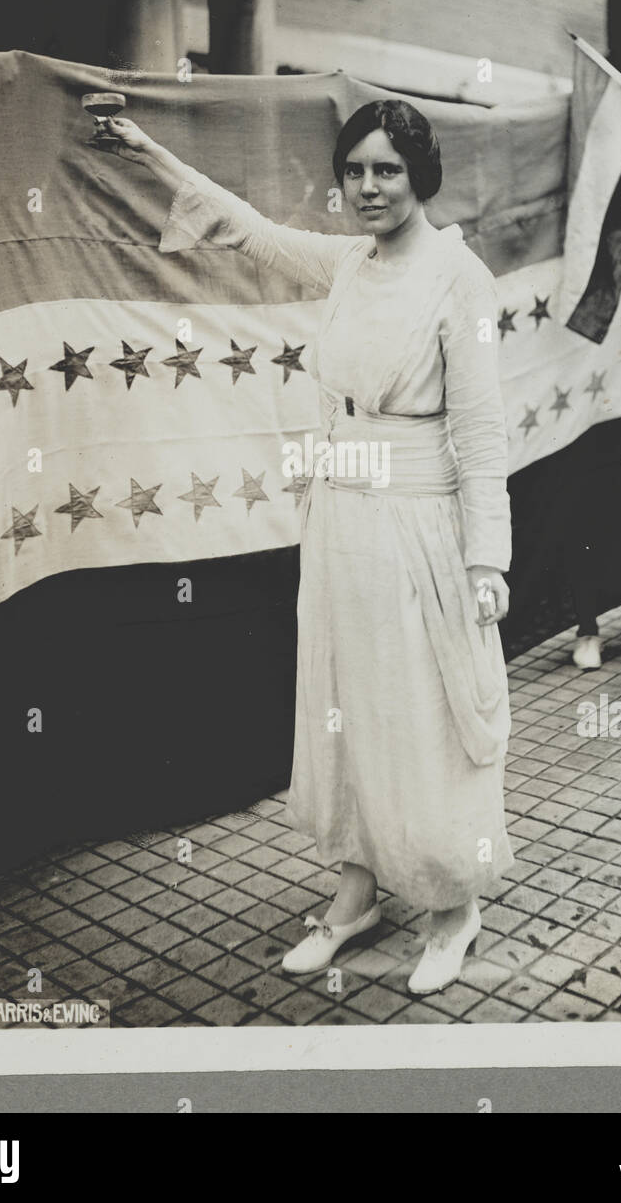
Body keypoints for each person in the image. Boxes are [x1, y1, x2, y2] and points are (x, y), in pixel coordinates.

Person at [96, 99, 514, 995]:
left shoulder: (459, 277)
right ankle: (358, 893)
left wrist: (488, 560)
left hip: (421, 525)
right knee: (350, 708)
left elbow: (481, 432)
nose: (367, 187)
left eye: (387, 170)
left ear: (419, 175)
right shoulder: (350, 263)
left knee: (428, 718)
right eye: (355, 170)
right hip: (341, 522)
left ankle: (453, 909)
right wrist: (146, 151)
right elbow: (247, 231)